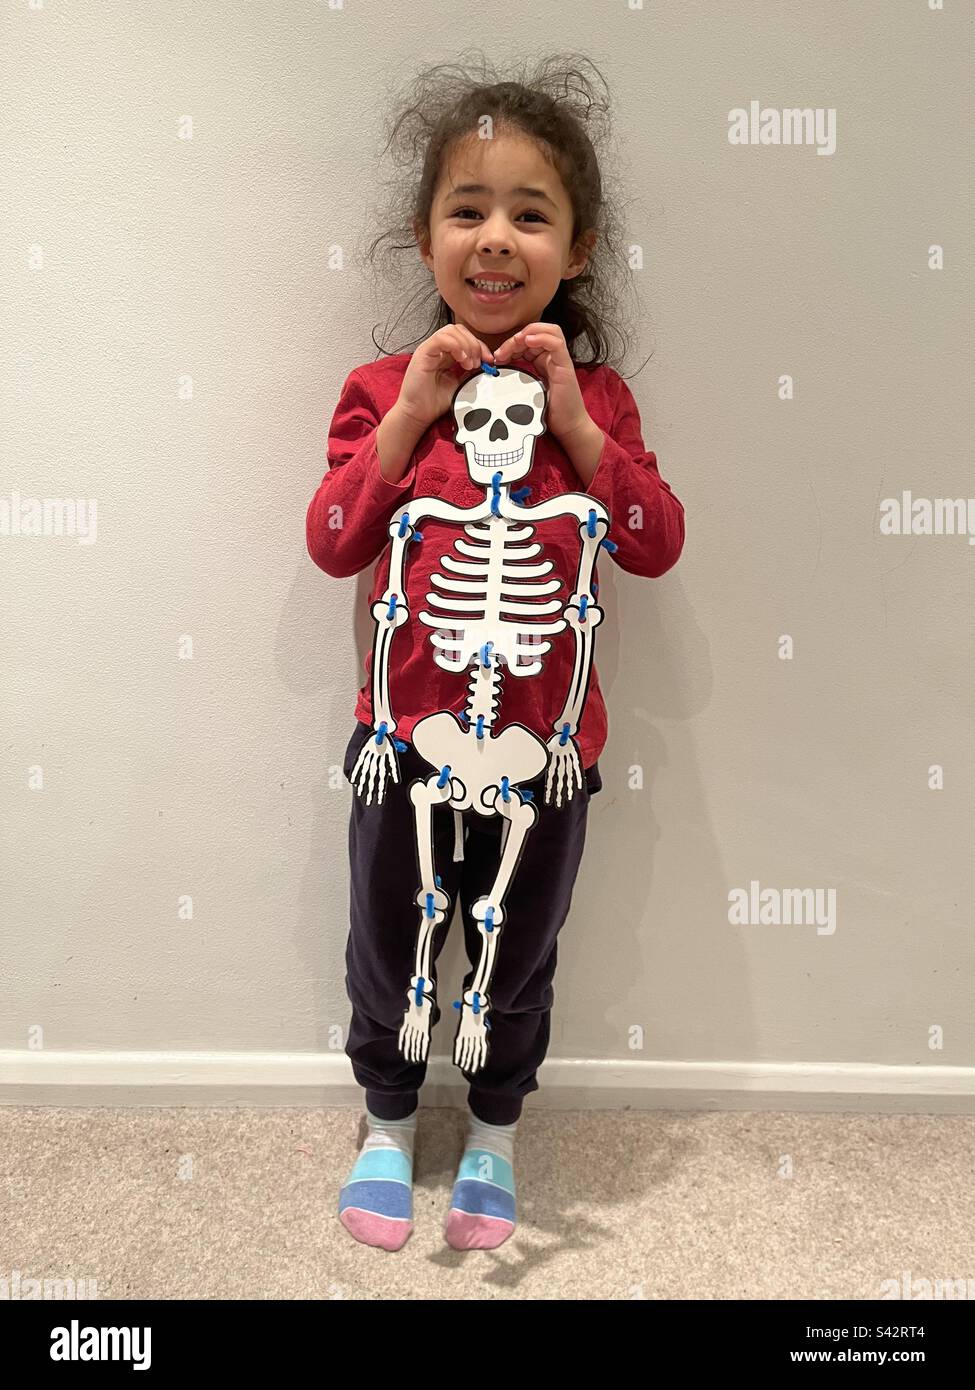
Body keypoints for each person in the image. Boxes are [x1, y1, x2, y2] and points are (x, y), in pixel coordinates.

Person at [305, 55, 685, 1253]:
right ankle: (384, 1121)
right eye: (467, 208)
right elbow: (333, 540)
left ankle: (495, 1134)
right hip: (400, 746)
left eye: (532, 213)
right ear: (425, 240)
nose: (496, 237)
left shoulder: (598, 401)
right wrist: (411, 411)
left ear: (575, 252)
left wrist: (573, 419)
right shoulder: (380, 390)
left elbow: (655, 543)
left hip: (547, 752)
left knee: (517, 945)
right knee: (391, 932)